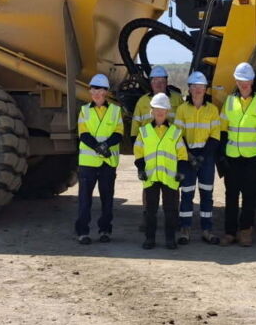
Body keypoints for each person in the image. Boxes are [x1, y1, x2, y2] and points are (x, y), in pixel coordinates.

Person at [220, 62, 256, 247]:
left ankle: (245, 232)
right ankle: (229, 233)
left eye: (247, 81)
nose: (244, 84)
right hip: (233, 158)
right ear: (236, 81)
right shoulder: (229, 102)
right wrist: (223, 155)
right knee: (231, 196)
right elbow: (223, 130)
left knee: (249, 196)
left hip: (253, 158)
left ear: (252, 81)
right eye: (240, 81)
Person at [134, 92, 188, 250]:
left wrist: (181, 171)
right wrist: (141, 169)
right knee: (150, 211)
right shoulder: (144, 132)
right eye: (157, 109)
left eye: (162, 109)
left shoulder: (175, 132)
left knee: (170, 211)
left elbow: (182, 154)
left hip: (170, 178)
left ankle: (170, 239)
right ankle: (150, 239)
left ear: (167, 111)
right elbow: (138, 152)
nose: (159, 112)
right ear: (151, 111)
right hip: (150, 177)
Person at [174, 71, 223, 244]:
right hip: (188, 157)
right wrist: (189, 156)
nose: (197, 90)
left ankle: (206, 230)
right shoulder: (182, 109)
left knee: (206, 194)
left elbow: (215, 136)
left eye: (201, 86)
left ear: (206, 89)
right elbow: (178, 136)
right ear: (189, 88)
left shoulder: (212, 110)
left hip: (206, 158)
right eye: (194, 86)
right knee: (187, 193)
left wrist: (202, 156)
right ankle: (185, 229)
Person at [75, 73, 122, 244]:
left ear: (106, 92)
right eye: (93, 89)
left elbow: (118, 133)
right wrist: (99, 147)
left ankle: (105, 230)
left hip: (108, 162)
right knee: (84, 200)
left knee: (107, 199)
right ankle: (83, 232)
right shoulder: (84, 111)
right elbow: (83, 134)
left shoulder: (115, 111)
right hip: (88, 163)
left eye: (99, 89)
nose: (96, 93)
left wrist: (106, 146)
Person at [131, 65, 184, 138]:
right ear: (151, 83)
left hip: (171, 139)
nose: (158, 84)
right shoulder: (142, 101)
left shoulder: (177, 99)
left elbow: (184, 120)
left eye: (162, 81)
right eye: (155, 81)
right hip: (148, 140)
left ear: (166, 82)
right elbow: (135, 123)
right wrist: (134, 138)